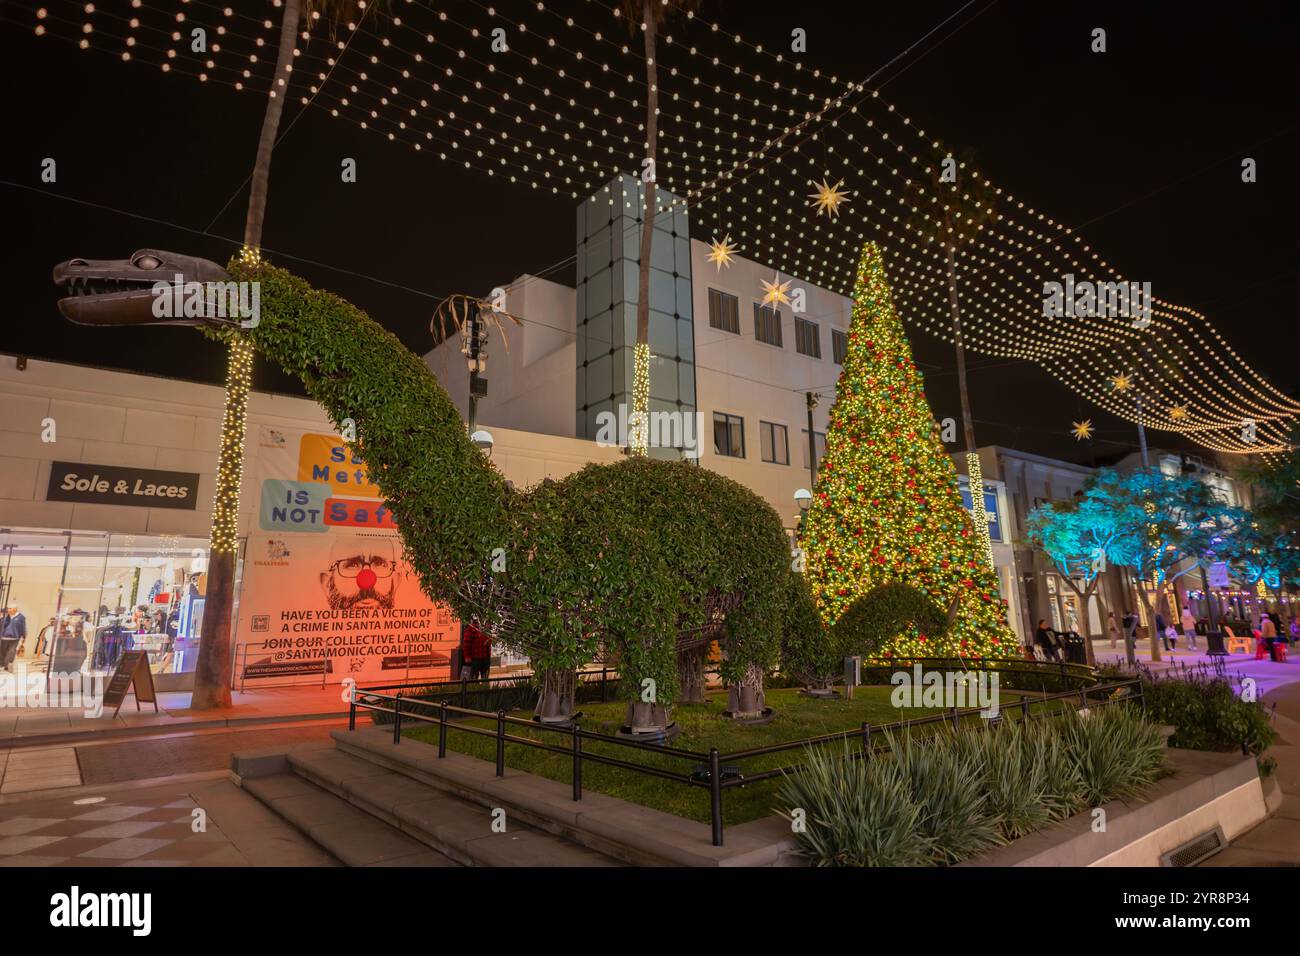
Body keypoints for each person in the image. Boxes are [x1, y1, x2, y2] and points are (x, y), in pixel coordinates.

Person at [0, 605, 26, 670]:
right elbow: (3, 625)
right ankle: (2, 664)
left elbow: (23, 627)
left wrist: (24, 636)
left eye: (10, 608)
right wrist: (3, 617)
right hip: (4, 637)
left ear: (15, 609)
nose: (8, 609)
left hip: (15, 638)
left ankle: (7, 665)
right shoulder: (6, 616)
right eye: (8, 608)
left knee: (11, 652)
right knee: (2, 652)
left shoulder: (21, 617)